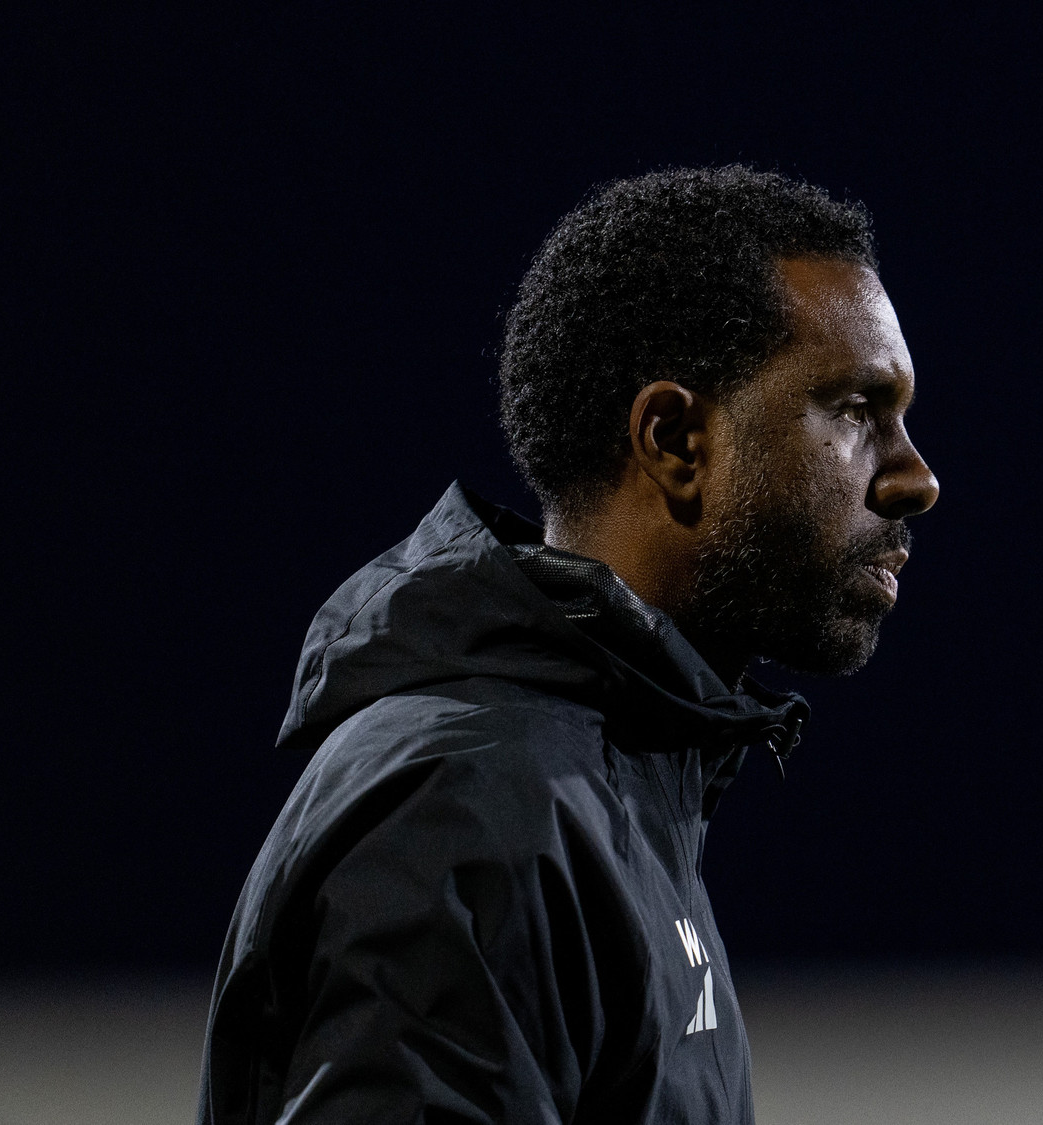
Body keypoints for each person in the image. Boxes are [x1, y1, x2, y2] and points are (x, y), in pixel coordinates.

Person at [198, 165, 939, 1124]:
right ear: (676, 440)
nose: (915, 478)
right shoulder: (475, 812)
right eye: (854, 410)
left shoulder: (602, 781)